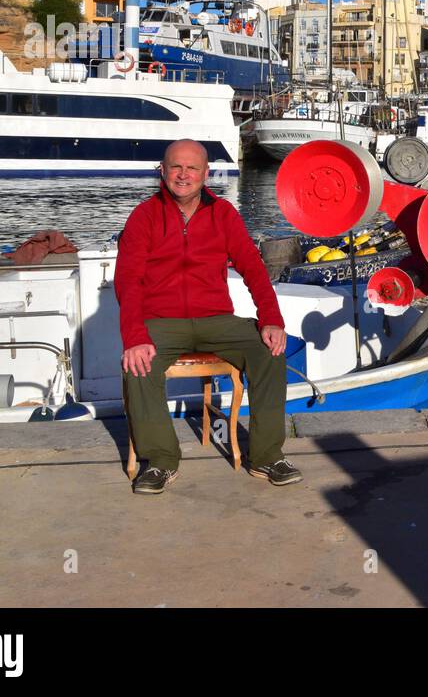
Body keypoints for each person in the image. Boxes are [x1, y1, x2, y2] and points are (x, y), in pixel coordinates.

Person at [115, 139, 302, 495]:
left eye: (192, 168)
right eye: (176, 167)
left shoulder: (223, 214)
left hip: (216, 319)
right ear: (163, 170)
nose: (183, 175)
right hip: (161, 321)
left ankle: (266, 455)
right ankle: (160, 461)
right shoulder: (145, 216)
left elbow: (253, 267)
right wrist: (135, 336)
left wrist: (271, 319)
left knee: (268, 350)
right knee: (138, 364)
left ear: (206, 173)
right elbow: (128, 280)